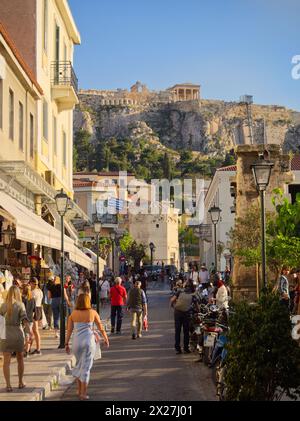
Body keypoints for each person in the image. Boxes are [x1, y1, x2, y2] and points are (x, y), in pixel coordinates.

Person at [65, 294, 109, 400]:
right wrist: (106, 338)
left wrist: (66, 343)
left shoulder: (73, 314)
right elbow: (101, 327)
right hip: (88, 342)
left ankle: (79, 389)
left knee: (79, 365)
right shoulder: (93, 312)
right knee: (86, 368)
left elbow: (69, 330)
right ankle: (83, 393)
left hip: (76, 342)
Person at [0, 286, 33, 392]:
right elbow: (25, 321)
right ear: (17, 293)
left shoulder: (3, 306)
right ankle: (20, 382)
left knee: (6, 361)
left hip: (6, 334)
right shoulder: (20, 305)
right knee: (20, 359)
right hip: (18, 334)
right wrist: (29, 334)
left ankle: (8, 385)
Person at [170, 280, 196, 354]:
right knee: (186, 331)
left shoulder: (180, 291)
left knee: (177, 331)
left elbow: (172, 300)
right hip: (186, 314)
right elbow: (197, 306)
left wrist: (173, 306)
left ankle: (178, 348)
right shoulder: (193, 294)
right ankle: (186, 348)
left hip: (177, 313)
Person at [29, 278, 43, 355]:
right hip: (39, 309)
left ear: (32, 283)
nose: (29, 285)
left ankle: (38, 349)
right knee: (34, 331)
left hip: (34, 310)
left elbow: (32, 303)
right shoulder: (40, 291)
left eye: (30, 283)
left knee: (34, 331)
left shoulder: (33, 292)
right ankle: (36, 348)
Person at [22, 284, 36, 357]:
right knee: (30, 335)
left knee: (26, 335)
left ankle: (26, 351)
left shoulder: (23, 299)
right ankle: (28, 349)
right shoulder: (33, 299)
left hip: (24, 319)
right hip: (30, 319)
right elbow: (34, 310)